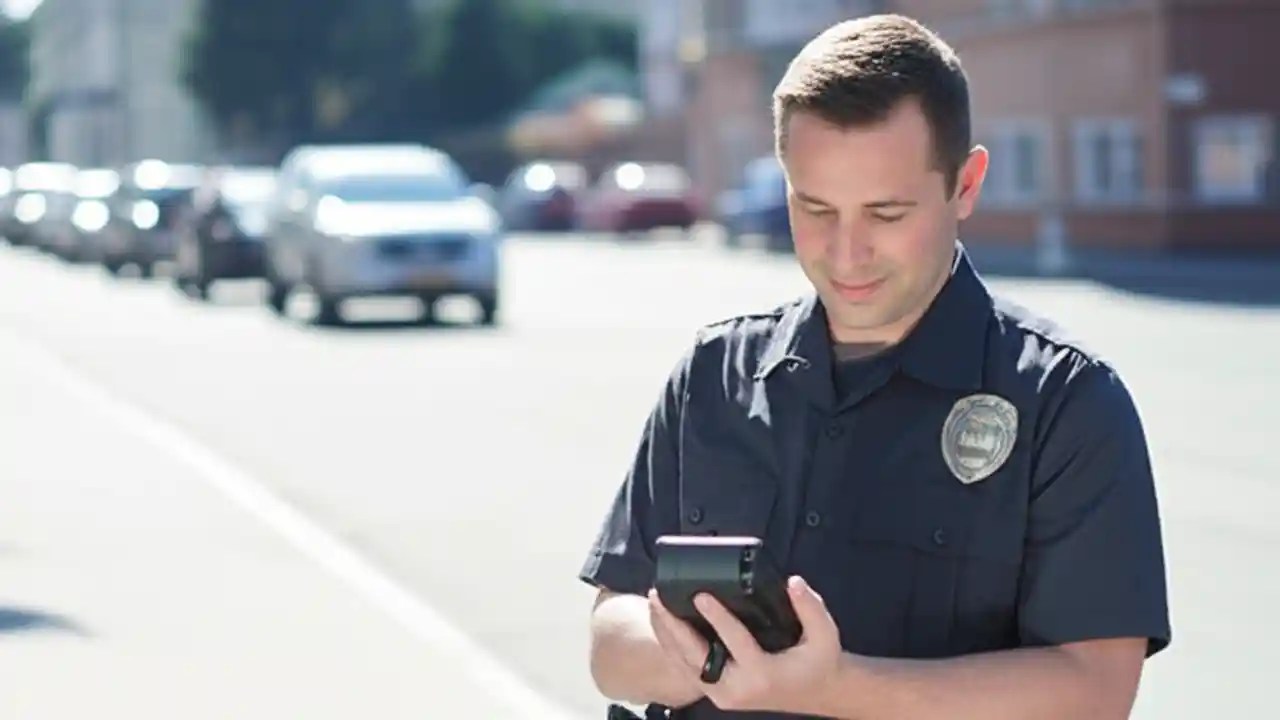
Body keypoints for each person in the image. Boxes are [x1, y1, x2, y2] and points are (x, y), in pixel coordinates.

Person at [578, 12, 1171, 720]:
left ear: (967, 184)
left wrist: (833, 687)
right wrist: (718, 658)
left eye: (887, 213)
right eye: (815, 207)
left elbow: (1094, 690)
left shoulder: (1065, 403)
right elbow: (611, 638)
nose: (846, 252)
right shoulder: (715, 376)